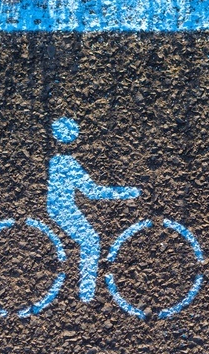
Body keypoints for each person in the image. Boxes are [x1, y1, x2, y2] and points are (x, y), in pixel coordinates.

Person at [46, 117, 140, 302]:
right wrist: (126, 193)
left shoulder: (57, 160)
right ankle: (86, 293)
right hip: (62, 208)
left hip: (60, 206)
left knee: (85, 240)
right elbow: (92, 192)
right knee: (91, 242)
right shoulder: (67, 163)